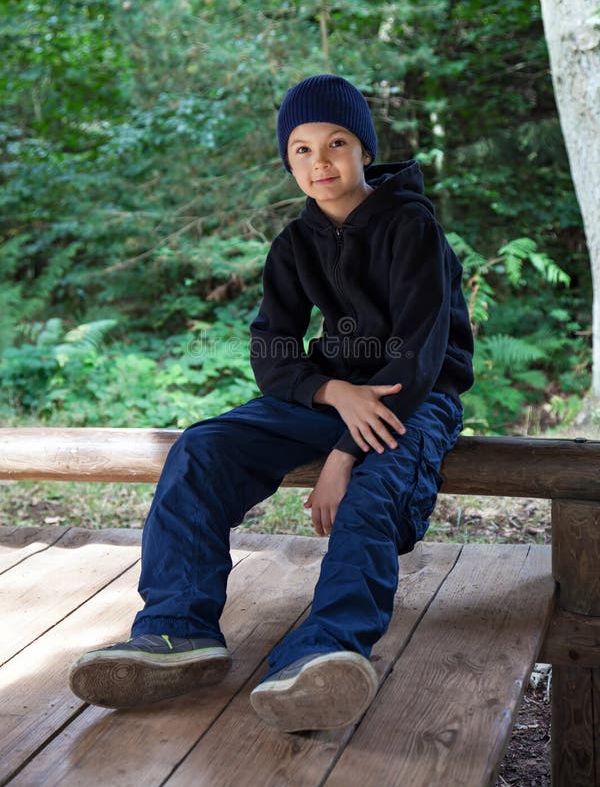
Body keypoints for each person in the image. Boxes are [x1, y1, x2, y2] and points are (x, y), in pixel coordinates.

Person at [69, 74, 474, 732]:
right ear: (288, 161)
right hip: (331, 393)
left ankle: (324, 652)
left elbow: (420, 358)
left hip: (415, 397)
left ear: (364, 150)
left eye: (337, 143)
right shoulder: (295, 243)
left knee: (372, 492)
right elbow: (272, 348)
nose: (321, 162)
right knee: (202, 447)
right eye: (302, 150)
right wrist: (331, 391)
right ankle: (177, 629)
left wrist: (342, 457)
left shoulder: (411, 229)